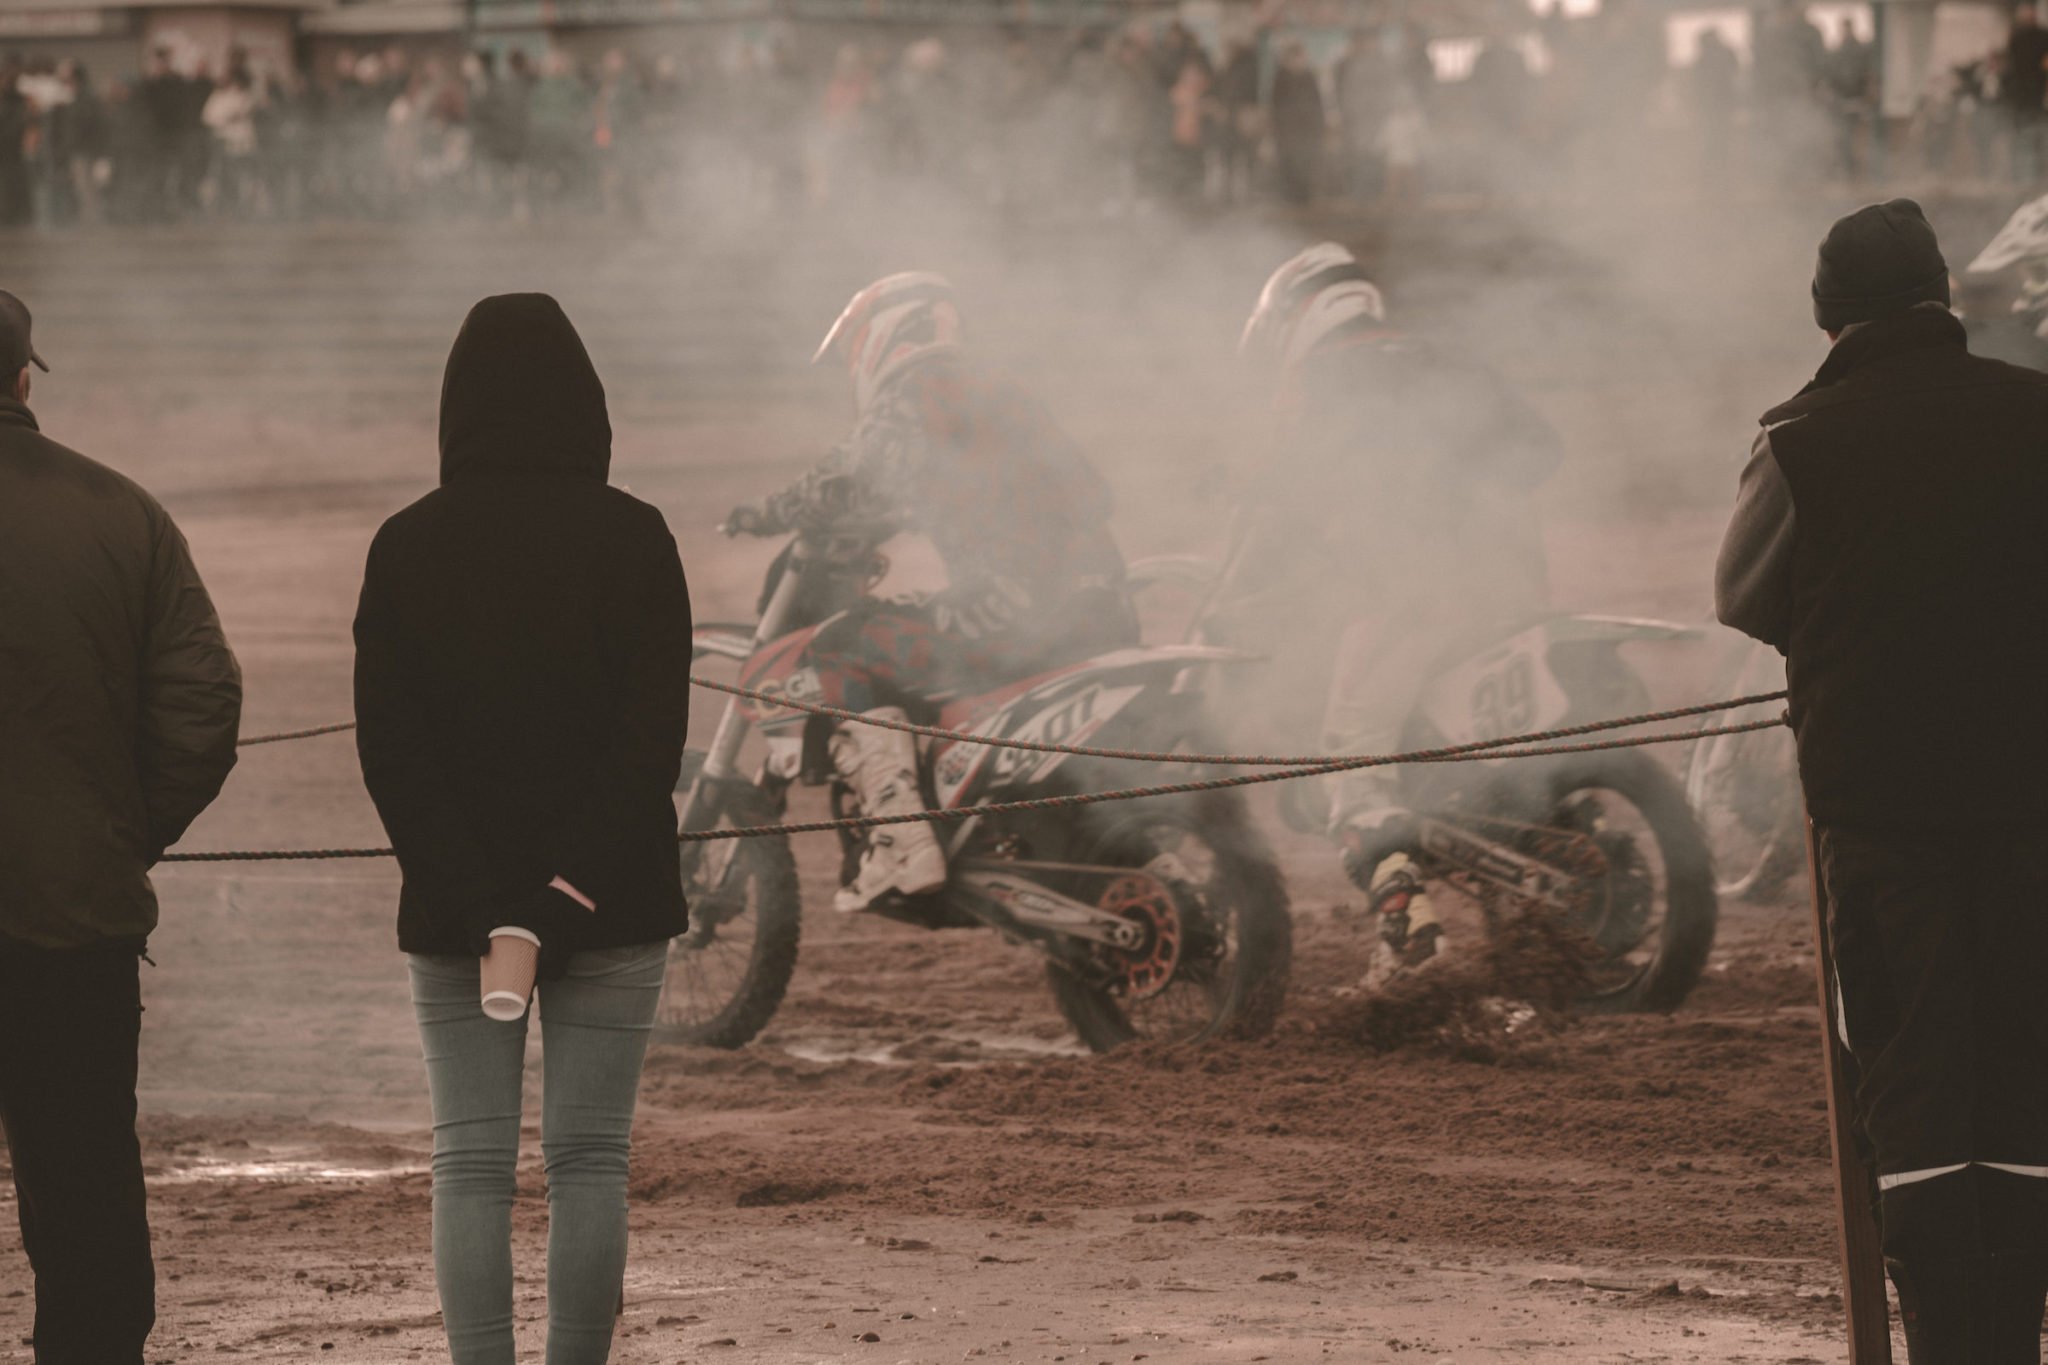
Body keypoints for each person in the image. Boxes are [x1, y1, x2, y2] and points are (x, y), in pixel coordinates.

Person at [1716, 199, 2048, 1362]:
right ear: (1940, 299)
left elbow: (1744, 598)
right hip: (2030, 803)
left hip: (1877, 813)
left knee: (1910, 1072)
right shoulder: (2034, 410)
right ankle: (2008, 1337)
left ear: (1830, 318)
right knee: (2020, 1056)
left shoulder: (1795, 437)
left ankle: (1945, 1341)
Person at [353, 294, 692, 1365]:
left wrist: (478, 904)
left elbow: (392, 754)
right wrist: (565, 896)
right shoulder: (635, 536)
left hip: (456, 914)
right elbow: (650, 744)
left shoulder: (405, 545)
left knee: (469, 1167)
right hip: (613, 897)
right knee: (589, 1161)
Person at [724, 273, 1135, 913]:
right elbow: (1088, 494)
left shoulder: (918, 390)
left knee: (842, 642)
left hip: (1019, 609)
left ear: (885, 335)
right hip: (1102, 604)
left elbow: (849, 483)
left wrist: (766, 512)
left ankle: (903, 842)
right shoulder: (1000, 391)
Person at [0, 289, 242, 1365]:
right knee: (85, 1188)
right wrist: (116, 832)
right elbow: (201, 707)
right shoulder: (123, 513)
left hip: (74, 888)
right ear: (23, 378)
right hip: (74, 915)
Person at [1226, 243, 1560, 970]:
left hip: (1413, 596)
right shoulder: (1448, 358)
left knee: (1352, 758)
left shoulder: (1316, 383)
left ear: (1298, 316)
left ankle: (1410, 943)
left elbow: (1278, 515)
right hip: (1514, 586)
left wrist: (1240, 597)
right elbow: (1542, 449)